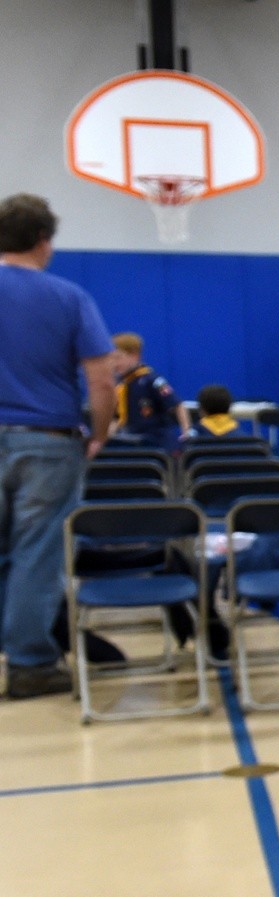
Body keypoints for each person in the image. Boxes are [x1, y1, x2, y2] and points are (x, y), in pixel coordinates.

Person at [0, 193, 113, 700]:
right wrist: (100, 434)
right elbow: (102, 380)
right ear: (44, 241)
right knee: (37, 556)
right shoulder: (68, 297)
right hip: (47, 440)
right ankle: (29, 663)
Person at [109, 332, 188, 451]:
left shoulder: (152, 380)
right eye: (112, 359)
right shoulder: (120, 386)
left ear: (135, 355)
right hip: (131, 440)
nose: (115, 363)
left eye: (118, 358)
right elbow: (116, 418)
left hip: (156, 442)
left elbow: (178, 405)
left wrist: (186, 433)